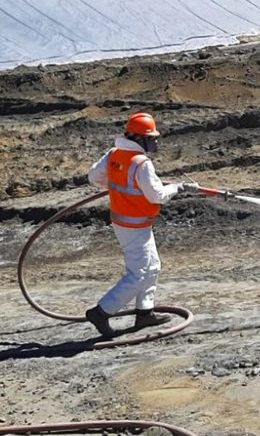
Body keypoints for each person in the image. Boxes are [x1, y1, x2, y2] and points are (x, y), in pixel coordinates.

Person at [85, 111, 199, 338]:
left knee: (152, 266)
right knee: (139, 273)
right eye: (152, 138)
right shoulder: (141, 163)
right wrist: (178, 187)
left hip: (125, 221)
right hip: (134, 225)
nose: (155, 142)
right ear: (140, 139)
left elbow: (94, 177)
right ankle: (102, 311)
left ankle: (145, 312)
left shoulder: (114, 154)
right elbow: (157, 196)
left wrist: (118, 189)